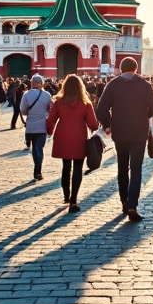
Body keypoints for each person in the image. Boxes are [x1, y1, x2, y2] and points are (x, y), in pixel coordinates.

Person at [96, 57, 153, 222]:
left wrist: (107, 124)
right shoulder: (144, 85)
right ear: (136, 69)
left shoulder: (113, 85)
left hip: (120, 131)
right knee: (136, 168)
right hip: (139, 132)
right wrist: (143, 115)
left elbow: (101, 108)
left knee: (122, 167)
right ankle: (132, 205)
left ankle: (124, 201)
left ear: (121, 69)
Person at [46, 74, 99, 211]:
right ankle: (73, 201)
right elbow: (93, 123)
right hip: (79, 136)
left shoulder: (59, 102)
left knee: (66, 167)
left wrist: (49, 131)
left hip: (63, 136)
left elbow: (51, 120)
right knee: (77, 168)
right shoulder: (85, 103)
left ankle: (66, 195)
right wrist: (94, 129)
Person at [19, 75, 53, 180]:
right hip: (43, 124)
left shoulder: (26, 95)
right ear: (41, 83)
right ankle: (38, 170)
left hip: (31, 124)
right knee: (40, 148)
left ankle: (37, 169)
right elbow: (51, 108)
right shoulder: (47, 95)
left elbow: (23, 109)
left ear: (32, 83)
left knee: (35, 148)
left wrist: (30, 113)